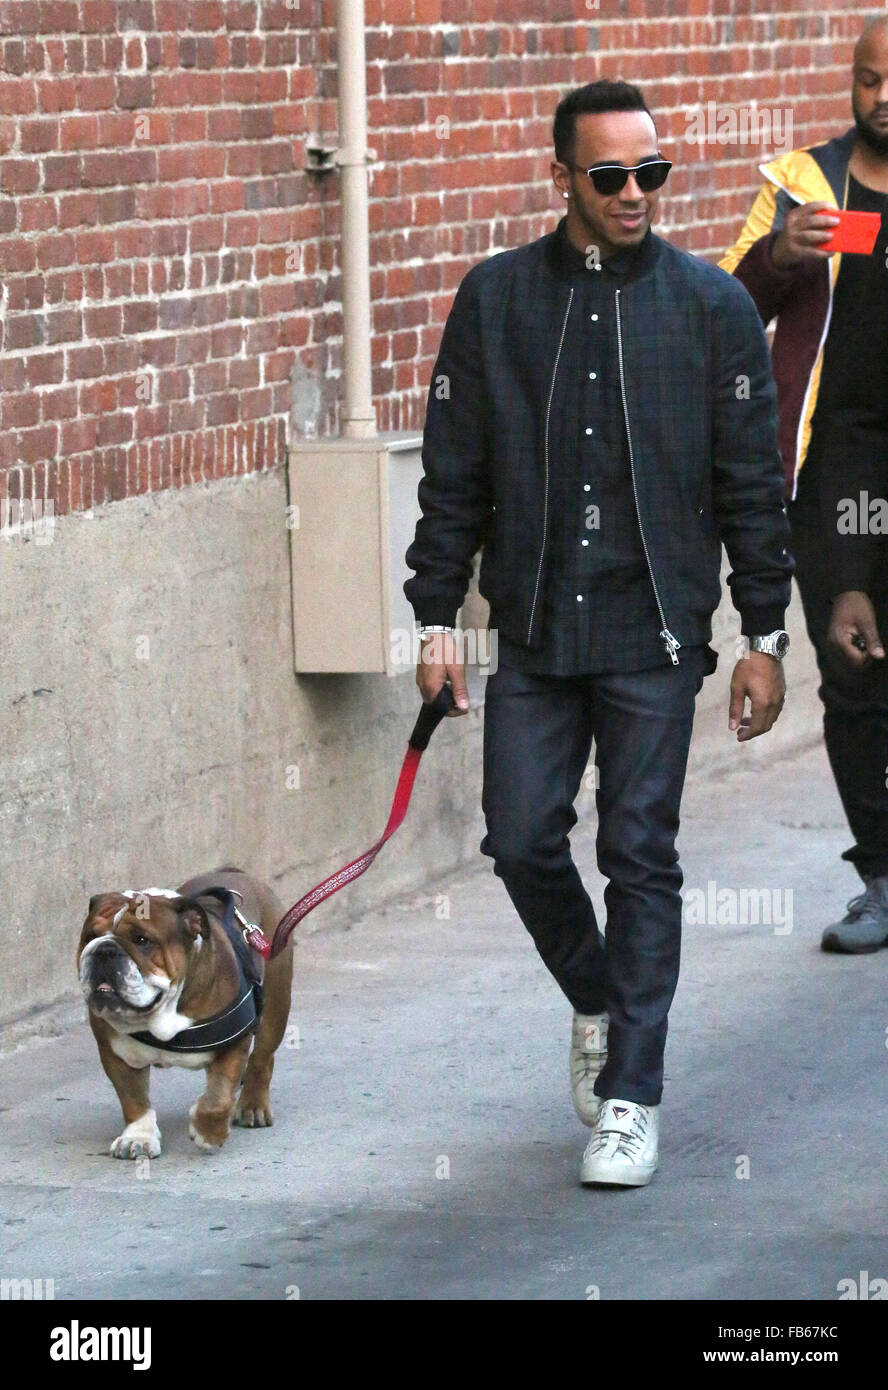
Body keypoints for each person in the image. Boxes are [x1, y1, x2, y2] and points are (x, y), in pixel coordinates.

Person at [404, 80, 792, 1188]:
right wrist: (436, 616)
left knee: (639, 853)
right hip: (533, 626)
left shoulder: (710, 306)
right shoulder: (496, 301)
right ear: (563, 176)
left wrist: (763, 631)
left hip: (654, 630)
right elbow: (453, 476)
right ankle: (598, 996)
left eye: (652, 173)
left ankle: (631, 1093)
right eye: (613, 176)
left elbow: (751, 485)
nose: (636, 194)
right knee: (520, 837)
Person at [721, 16, 888, 954]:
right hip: (835, 464)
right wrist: (784, 252)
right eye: (868, 81)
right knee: (854, 666)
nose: (881, 99)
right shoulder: (801, 185)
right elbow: (728, 305)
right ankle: (880, 874)